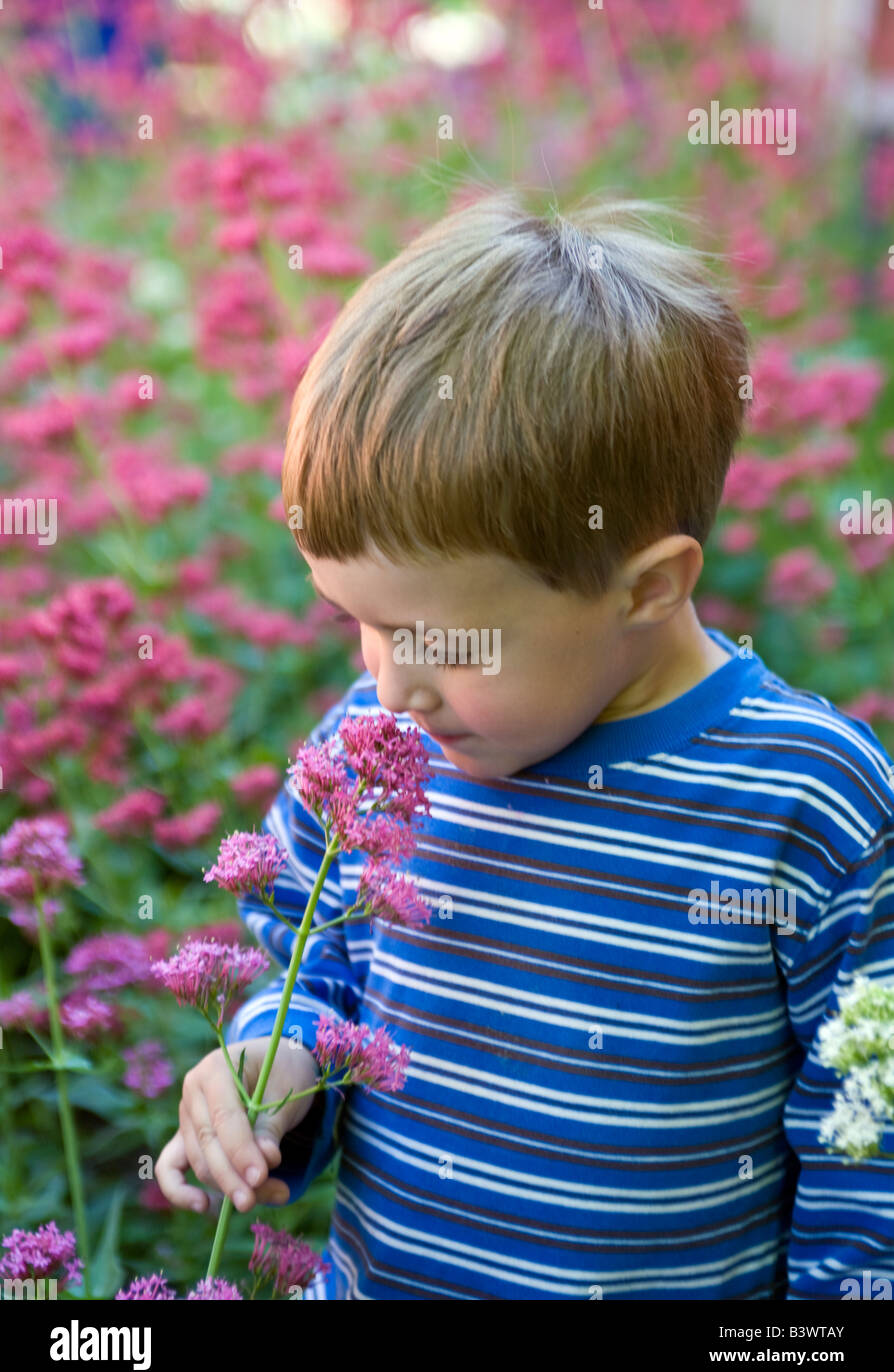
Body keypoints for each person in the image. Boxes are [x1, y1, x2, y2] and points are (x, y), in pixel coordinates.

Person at [156, 186, 894, 1300]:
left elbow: (868, 1144)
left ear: (645, 587)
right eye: (360, 618)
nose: (388, 683)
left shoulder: (805, 801)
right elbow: (310, 955)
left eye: (440, 639)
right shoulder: (371, 755)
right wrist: (279, 1058)